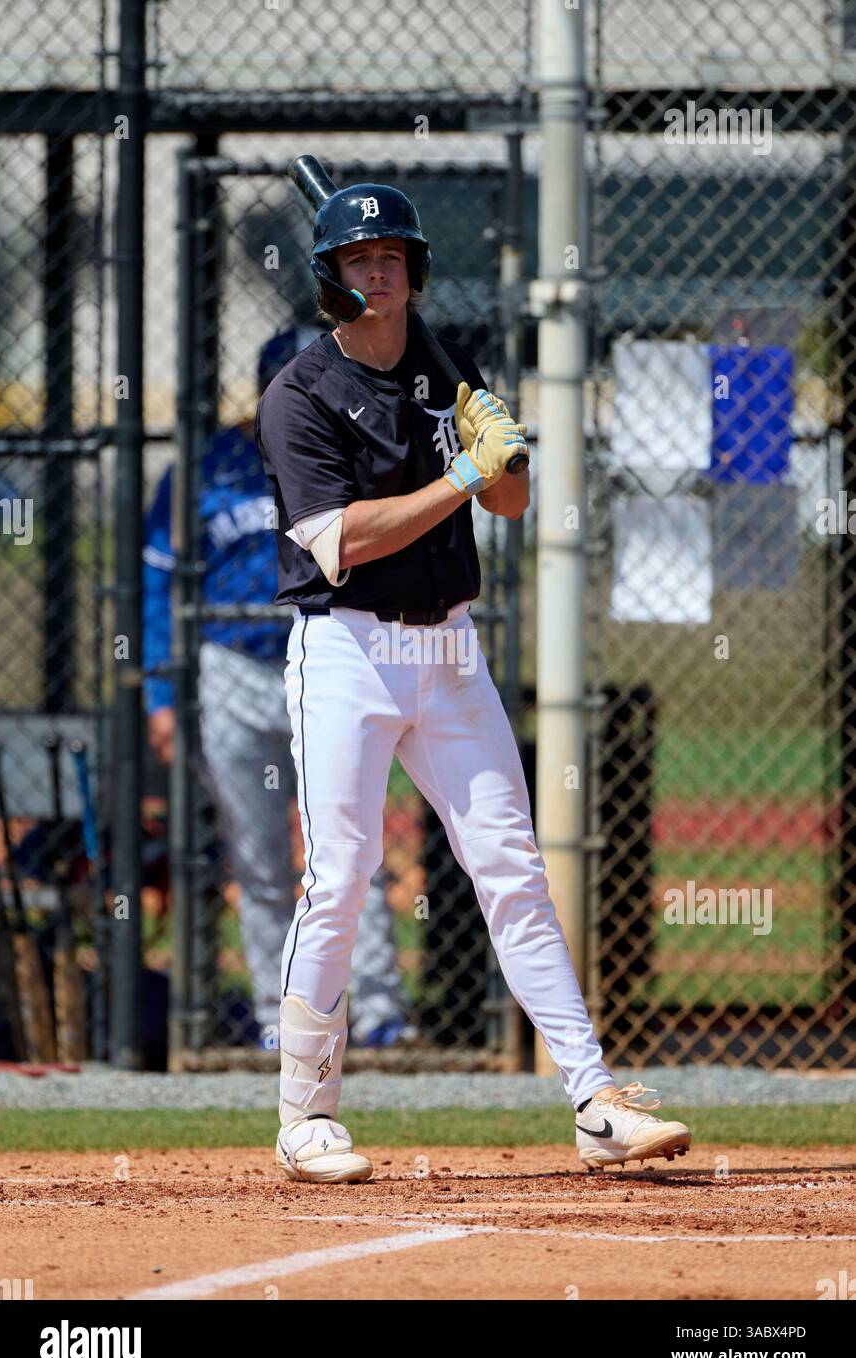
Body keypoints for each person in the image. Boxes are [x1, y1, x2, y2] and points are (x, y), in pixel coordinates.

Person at [256, 181, 692, 1184]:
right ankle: (304, 1117)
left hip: (450, 651)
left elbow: (508, 501)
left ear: (412, 272)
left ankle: (592, 1099)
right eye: (360, 261)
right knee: (343, 875)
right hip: (347, 651)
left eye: (393, 259)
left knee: (512, 872)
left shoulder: (446, 370)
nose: (378, 273)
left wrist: (500, 447)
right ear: (332, 277)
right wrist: (458, 476)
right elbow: (341, 543)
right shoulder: (300, 394)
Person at [142, 330, 409, 1049]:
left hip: (329, 658)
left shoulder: (351, 458)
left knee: (351, 848)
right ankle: (275, 1016)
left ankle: (379, 1009)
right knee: (257, 860)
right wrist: (161, 696)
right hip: (232, 668)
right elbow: (157, 583)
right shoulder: (208, 466)